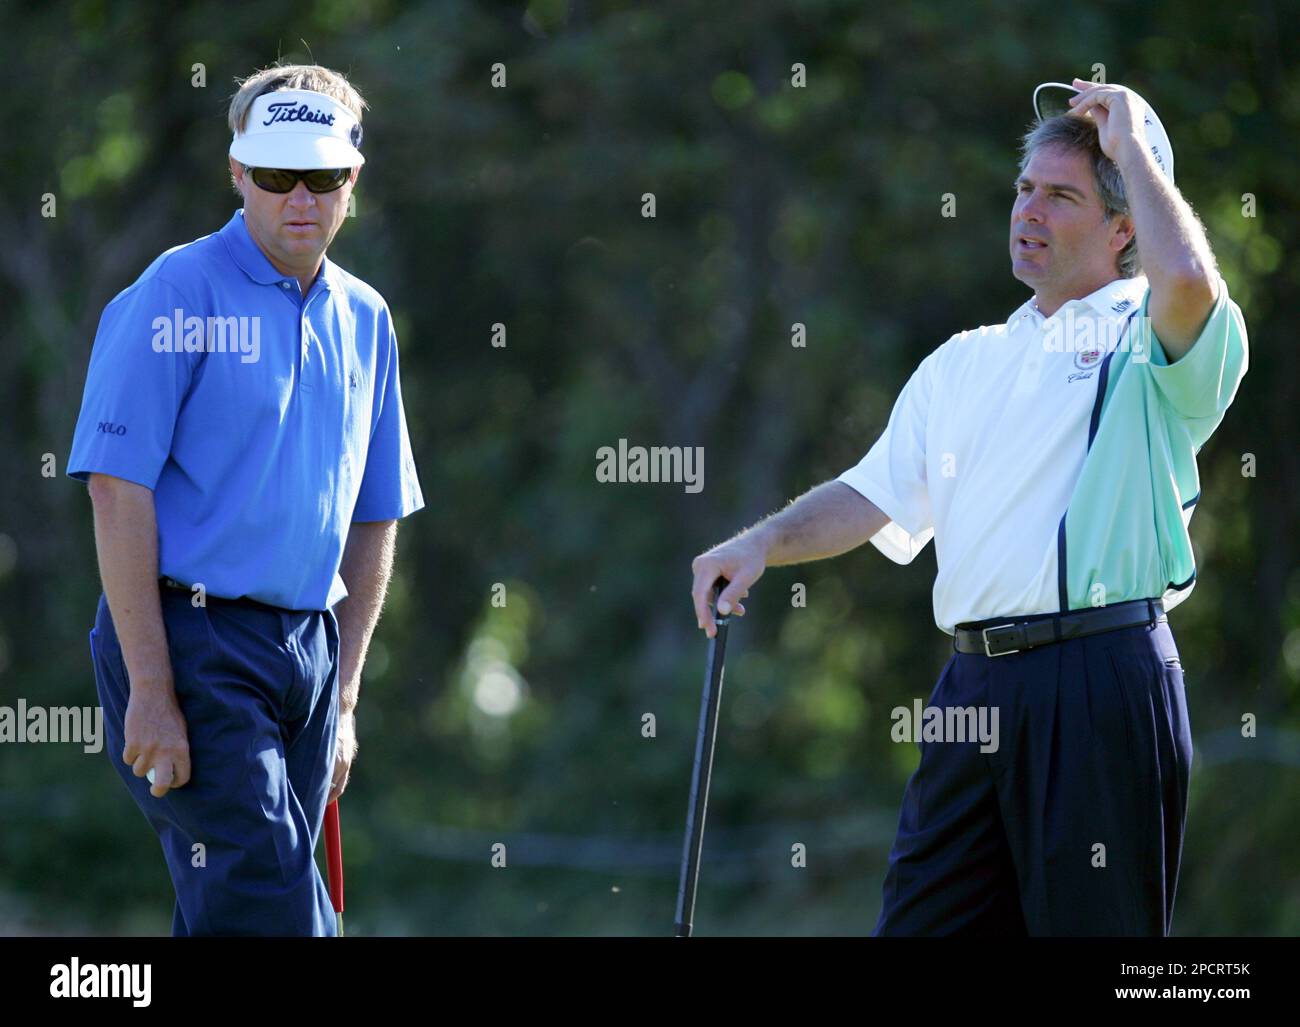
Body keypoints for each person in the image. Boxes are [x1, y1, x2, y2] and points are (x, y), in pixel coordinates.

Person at [689, 78, 1247, 936]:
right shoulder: (964, 360)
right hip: (972, 687)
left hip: (1100, 678)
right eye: (1025, 188)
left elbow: (1188, 281)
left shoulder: (1149, 332)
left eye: (1060, 195)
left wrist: (1132, 145)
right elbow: (873, 492)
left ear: (1123, 224)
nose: (1028, 208)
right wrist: (764, 541)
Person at [67, 62, 425, 936]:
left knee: (234, 912)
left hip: (306, 651)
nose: (299, 196)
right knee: (280, 913)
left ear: (353, 180)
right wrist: (151, 688)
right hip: (191, 641)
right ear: (237, 173)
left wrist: (342, 697)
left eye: (323, 176)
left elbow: (374, 513)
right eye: (274, 175)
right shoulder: (174, 292)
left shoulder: (367, 317)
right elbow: (118, 492)